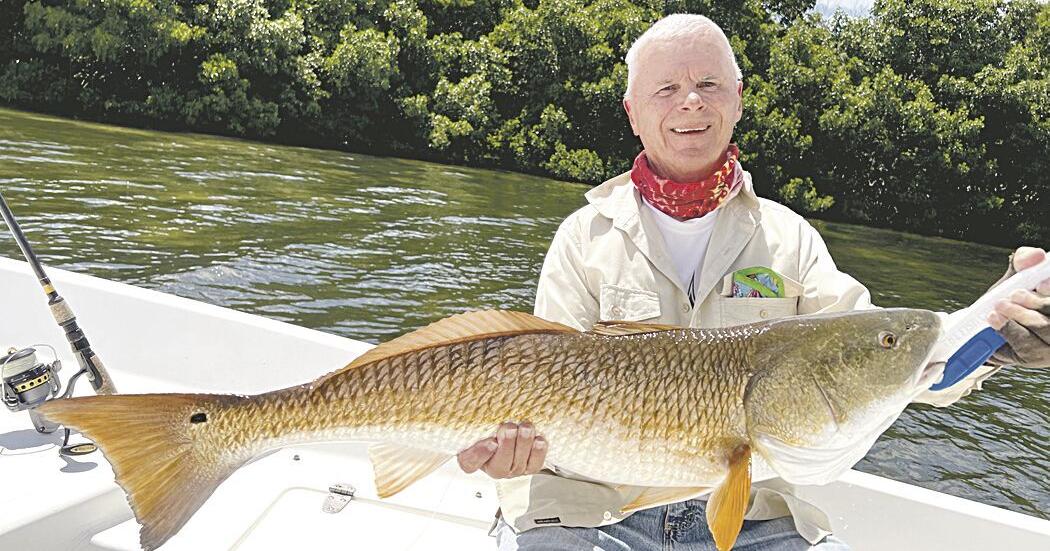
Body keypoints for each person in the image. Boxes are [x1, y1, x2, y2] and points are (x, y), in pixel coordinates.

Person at [456, 13, 1050, 551]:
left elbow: (891, 368)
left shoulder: (791, 239)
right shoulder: (582, 238)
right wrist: (514, 452)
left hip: (757, 520)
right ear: (633, 112)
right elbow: (535, 378)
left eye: (709, 85)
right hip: (591, 511)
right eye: (666, 88)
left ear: (738, 100)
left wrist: (993, 333)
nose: (690, 102)